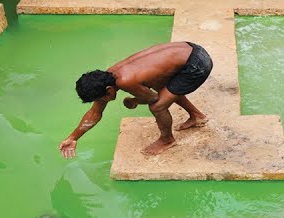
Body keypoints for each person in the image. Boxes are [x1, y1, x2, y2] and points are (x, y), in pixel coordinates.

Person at [60, 41, 213, 158]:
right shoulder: (106, 77)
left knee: (157, 107)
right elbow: (94, 114)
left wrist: (134, 101)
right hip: (190, 48)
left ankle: (167, 140)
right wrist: (73, 138)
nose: (100, 102)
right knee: (164, 89)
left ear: (108, 90)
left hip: (197, 64)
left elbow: (153, 98)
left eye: (101, 99)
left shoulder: (126, 80)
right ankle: (197, 116)